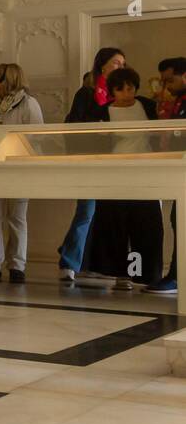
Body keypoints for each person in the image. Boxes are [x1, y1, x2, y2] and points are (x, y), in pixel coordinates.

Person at [84, 67, 163, 290]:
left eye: (131, 88)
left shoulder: (146, 106)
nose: (127, 93)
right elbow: (93, 143)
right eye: (121, 89)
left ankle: (144, 274)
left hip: (144, 171)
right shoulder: (102, 112)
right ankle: (121, 274)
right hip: (115, 172)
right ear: (113, 91)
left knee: (145, 224)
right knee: (116, 224)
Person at [56, 47, 125, 282]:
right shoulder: (85, 93)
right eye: (116, 63)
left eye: (123, 64)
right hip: (88, 160)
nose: (120, 68)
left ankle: (88, 259)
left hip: (114, 162)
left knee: (107, 215)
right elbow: (75, 126)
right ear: (103, 65)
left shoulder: (122, 97)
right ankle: (69, 262)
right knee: (86, 210)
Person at [0, 64, 44, 283]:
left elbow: (38, 136)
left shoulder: (28, 103)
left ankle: (17, 265)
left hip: (19, 167)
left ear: (6, 79)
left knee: (16, 217)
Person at [145, 56, 186, 294]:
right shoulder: (177, 100)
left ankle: (177, 277)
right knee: (177, 219)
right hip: (178, 168)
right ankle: (176, 275)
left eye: (169, 80)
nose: (165, 85)